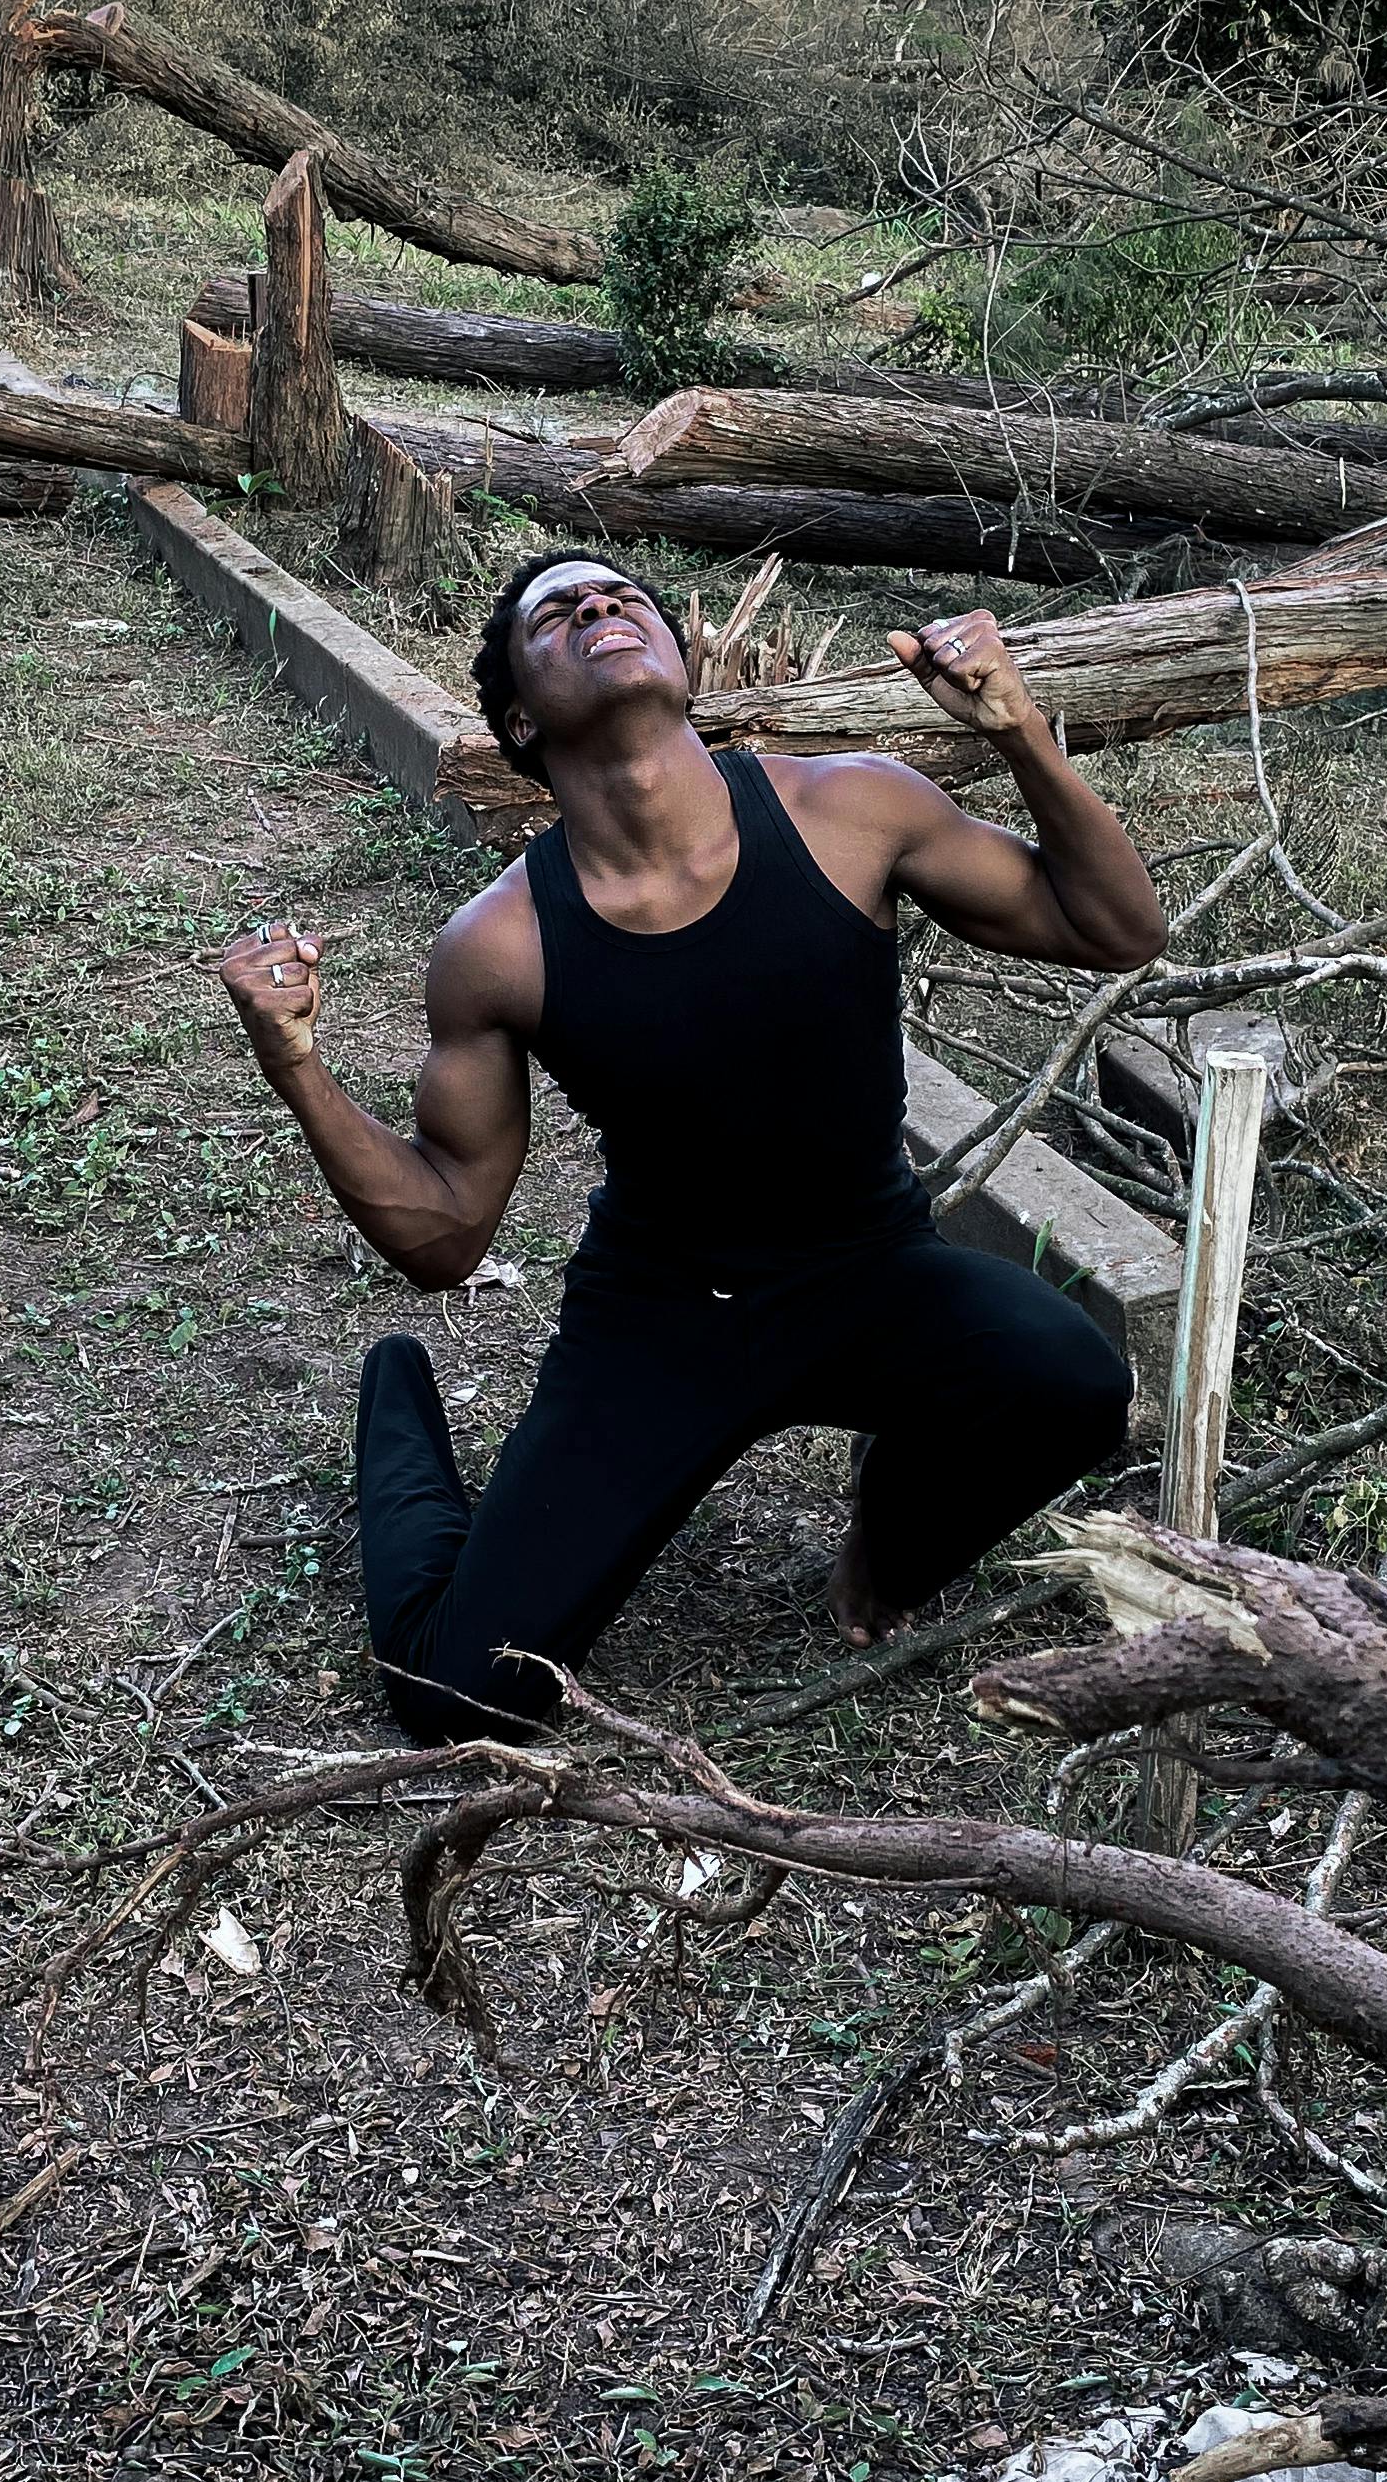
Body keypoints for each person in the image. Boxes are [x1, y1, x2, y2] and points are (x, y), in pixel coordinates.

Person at [218, 550, 1168, 1742]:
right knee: (459, 1697)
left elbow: (1116, 929)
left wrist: (1017, 727)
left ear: (677, 660)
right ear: (518, 714)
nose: (601, 610)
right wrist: (294, 1061)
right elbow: (447, 1231)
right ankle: (393, 1396)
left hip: (872, 1270)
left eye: (622, 598)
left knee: (1073, 1384)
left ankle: (887, 1535)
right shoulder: (501, 945)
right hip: (665, 1318)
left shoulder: (851, 810)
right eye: (556, 613)